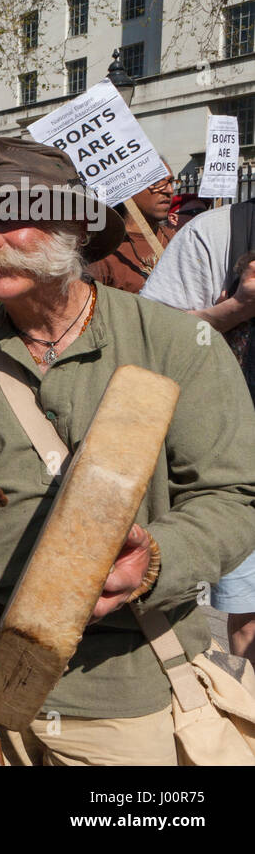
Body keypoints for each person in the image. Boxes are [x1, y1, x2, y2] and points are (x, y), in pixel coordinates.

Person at [0, 137, 255, 765]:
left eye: (7, 218)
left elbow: (233, 497)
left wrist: (153, 560)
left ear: (72, 222)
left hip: (128, 684)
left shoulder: (177, 343)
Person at [142, 199, 255, 662]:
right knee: (251, 620)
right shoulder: (218, 235)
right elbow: (151, 342)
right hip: (241, 465)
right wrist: (237, 308)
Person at [89, 165, 180, 293]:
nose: (169, 190)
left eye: (170, 182)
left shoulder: (178, 239)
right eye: (156, 182)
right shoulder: (104, 251)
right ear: (127, 186)